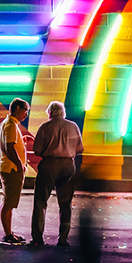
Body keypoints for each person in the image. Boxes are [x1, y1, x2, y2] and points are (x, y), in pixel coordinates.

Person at [29, 100, 83, 249]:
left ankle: (38, 238)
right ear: (63, 112)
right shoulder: (73, 126)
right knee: (65, 204)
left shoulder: (45, 127)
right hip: (68, 166)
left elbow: (37, 150)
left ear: (49, 113)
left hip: (49, 165)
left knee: (40, 202)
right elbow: (80, 148)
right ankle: (63, 238)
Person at [0, 98, 30, 243]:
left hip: (9, 167)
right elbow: (9, 147)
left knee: (9, 202)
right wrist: (19, 166)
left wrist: (22, 140)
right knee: (9, 202)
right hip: (11, 169)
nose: (26, 114)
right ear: (17, 108)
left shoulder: (9, 124)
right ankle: (8, 234)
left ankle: (9, 232)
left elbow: (11, 143)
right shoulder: (10, 125)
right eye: (25, 110)